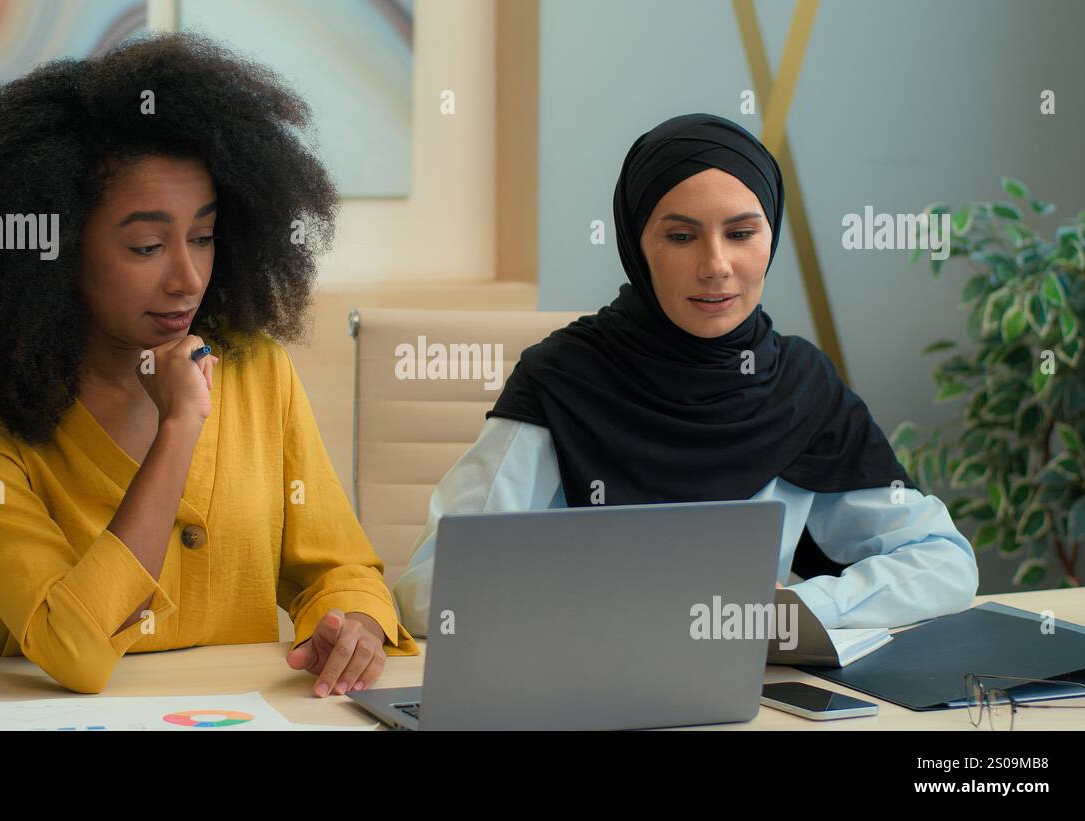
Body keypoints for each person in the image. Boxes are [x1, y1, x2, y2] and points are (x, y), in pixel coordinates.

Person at [0, 32, 417, 696]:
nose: (187, 277)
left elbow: (338, 568)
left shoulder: (257, 370)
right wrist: (179, 428)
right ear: (56, 250)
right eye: (147, 245)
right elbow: (74, 647)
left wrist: (353, 627)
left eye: (202, 237)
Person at [393, 113, 977, 638]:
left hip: (749, 702)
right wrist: (617, 606)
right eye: (680, 236)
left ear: (770, 237)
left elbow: (943, 563)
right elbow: (428, 592)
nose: (716, 265)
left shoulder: (799, 387)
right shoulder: (564, 380)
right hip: (576, 694)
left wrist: (797, 608)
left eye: (742, 233)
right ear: (636, 245)